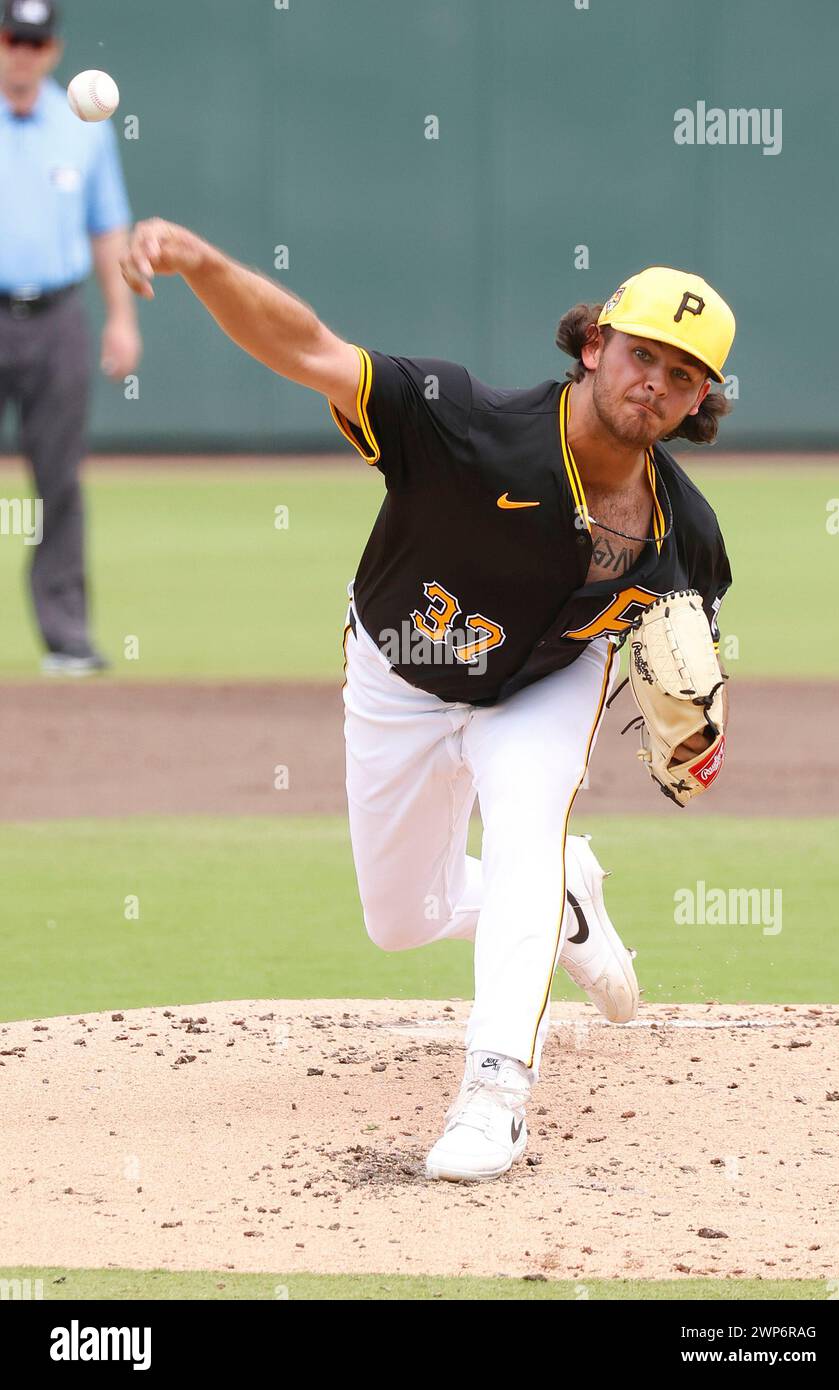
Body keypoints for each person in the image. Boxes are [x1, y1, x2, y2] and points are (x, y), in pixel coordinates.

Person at [120, 220, 734, 1183]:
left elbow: (675, 647)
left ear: (702, 401)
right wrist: (201, 263)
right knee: (402, 918)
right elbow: (311, 348)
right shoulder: (461, 419)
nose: (654, 379)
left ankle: (495, 1097)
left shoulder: (685, 536)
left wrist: (696, 730)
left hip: (542, 688)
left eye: (683, 373)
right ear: (592, 345)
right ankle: (566, 903)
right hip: (399, 674)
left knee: (526, 830)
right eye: (641, 353)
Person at [0, 0, 140, 673]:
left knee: (59, 480)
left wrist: (121, 314)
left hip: (57, 317)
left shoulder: (82, 128)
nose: (21, 52)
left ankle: (66, 638)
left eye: (34, 41)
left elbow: (107, 225)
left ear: (53, 49)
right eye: (11, 38)